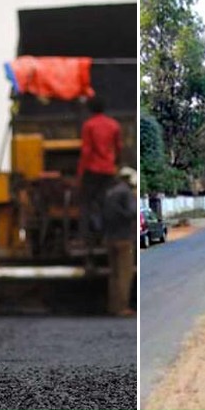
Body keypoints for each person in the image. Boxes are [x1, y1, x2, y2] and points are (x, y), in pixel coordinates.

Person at [76, 96, 121, 259]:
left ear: (90, 109)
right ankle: (106, 237)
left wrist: (80, 174)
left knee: (86, 204)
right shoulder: (114, 125)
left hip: (92, 171)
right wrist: (115, 165)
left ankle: (85, 238)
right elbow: (118, 148)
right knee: (106, 204)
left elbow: (86, 151)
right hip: (108, 171)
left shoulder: (89, 125)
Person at [102, 167, 136, 316]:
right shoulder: (126, 193)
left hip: (110, 238)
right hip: (124, 239)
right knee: (125, 274)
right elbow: (132, 212)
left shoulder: (109, 193)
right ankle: (123, 307)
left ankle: (113, 306)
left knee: (114, 274)